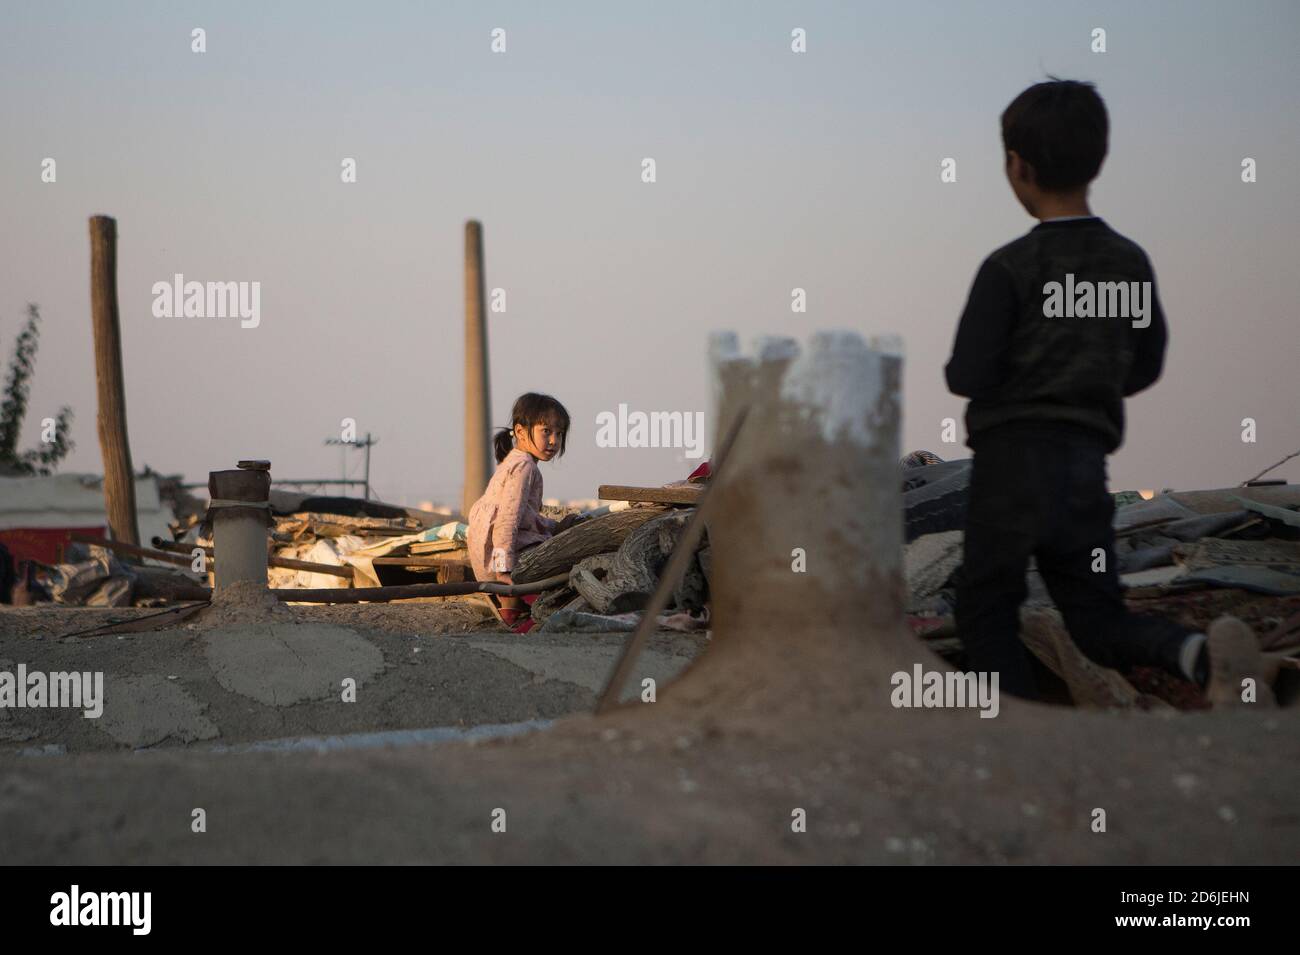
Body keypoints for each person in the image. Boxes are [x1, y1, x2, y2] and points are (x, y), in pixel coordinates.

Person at [944, 78, 1267, 704]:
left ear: (1019, 167)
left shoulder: (1007, 268)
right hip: (1084, 469)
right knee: (1096, 621)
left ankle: (1024, 743)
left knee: (985, 613)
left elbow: (967, 375)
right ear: (1098, 159)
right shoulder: (1129, 262)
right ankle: (1198, 657)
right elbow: (1146, 364)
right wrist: (1088, 386)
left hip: (1010, 468)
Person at [467, 393, 580, 628]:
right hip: (504, 562)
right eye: (546, 431)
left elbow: (524, 517)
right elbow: (507, 521)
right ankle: (539, 614)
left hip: (486, 557)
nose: (553, 441)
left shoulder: (511, 462)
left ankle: (511, 618)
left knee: (551, 537)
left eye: (559, 434)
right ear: (520, 432)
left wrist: (555, 525)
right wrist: (504, 569)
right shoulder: (525, 468)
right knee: (569, 558)